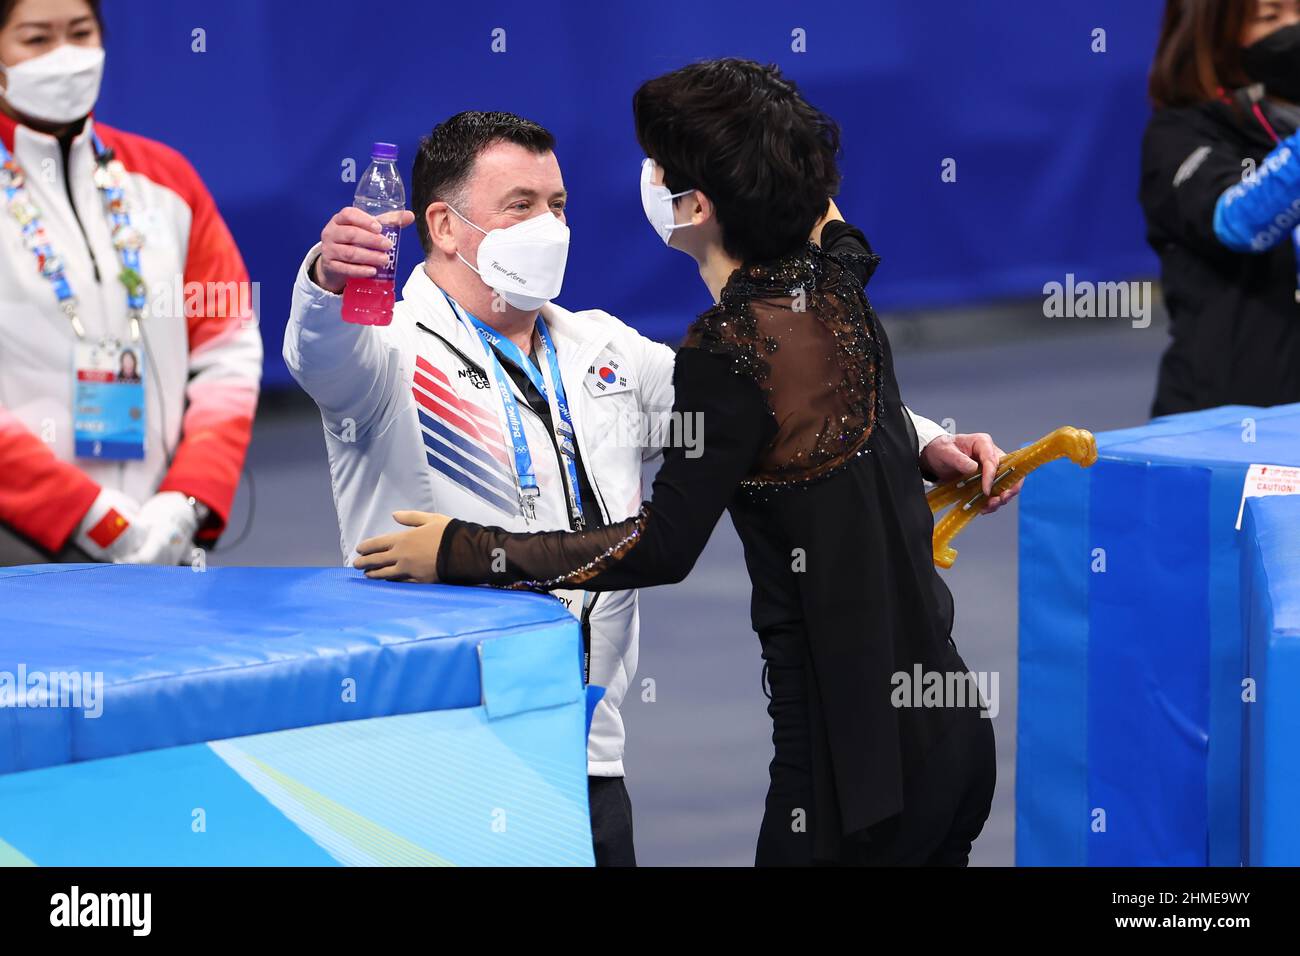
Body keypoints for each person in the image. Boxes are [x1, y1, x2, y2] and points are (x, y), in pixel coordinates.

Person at [286, 108, 994, 867]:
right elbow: (321, 355)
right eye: (519, 206)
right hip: (444, 751)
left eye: (557, 205)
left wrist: (922, 440)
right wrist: (326, 280)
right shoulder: (386, 357)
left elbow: (765, 397)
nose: (549, 226)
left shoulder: (602, 346)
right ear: (445, 225)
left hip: (588, 750)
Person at [0, 0, 262, 566]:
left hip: (161, 539)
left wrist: (187, 497)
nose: (64, 57)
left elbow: (228, 347)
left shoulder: (165, 179)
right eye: (36, 39)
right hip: (20, 547)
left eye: (80, 33)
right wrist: (88, 516)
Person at [1142, 0, 1300, 415]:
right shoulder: (1177, 134)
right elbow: (1239, 223)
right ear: (1212, 35)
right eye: (1270, 16)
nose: (1294, 27)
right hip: (1225, 423)